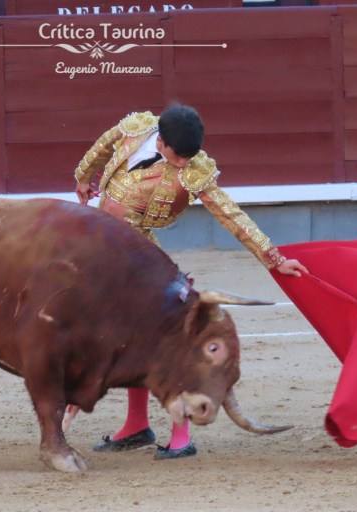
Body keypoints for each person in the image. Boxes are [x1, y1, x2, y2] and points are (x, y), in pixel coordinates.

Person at [73, 104, 307, 460]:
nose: (182, 163)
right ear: (160, 140)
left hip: (141, 260)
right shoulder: (137, 128)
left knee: (161, 341)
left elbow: (232, 216)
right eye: (177, 156)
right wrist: (82, 175)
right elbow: (102, 146)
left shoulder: (195, 171)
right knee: (125, 341)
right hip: (102, 249)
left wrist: (274, 258)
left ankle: (181, 435)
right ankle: (136, 425)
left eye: (189, 157)